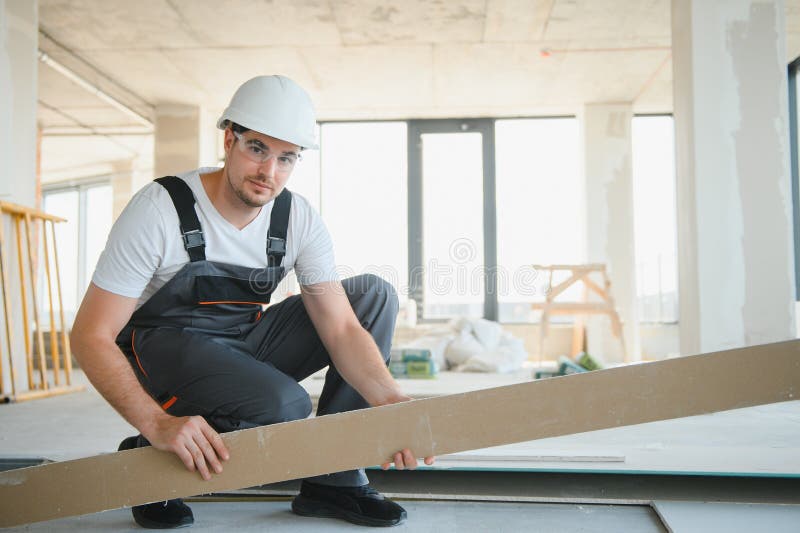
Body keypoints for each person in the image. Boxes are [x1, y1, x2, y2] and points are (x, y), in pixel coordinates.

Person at [70, 75, 433, 529]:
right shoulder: (160, 209)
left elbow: (340, 328)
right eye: (257, 149)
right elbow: (90, 336)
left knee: (371, 295)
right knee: (286, 406)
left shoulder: (296, 218)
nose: (269, 173)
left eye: (286, 159)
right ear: (229, 139)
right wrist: (154, 423)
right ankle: (149, 463)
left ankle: (334, 478)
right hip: (163, 349)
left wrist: (391, 400)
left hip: (241, 339)